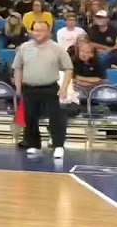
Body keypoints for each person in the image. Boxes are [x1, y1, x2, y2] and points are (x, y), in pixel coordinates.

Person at [11, 20, 73, 160]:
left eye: (42, 30)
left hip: (50, 87)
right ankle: (34, 145)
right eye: (36, 30)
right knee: (30, 118)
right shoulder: (24, 47)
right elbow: (18, 67)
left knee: (56, 118)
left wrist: (63, 88)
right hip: (29, 88)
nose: (38, 33)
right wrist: (18, 86)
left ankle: (58, 146)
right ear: (32, 31)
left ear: (48, 32)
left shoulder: (57, 48)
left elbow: (68, 68)